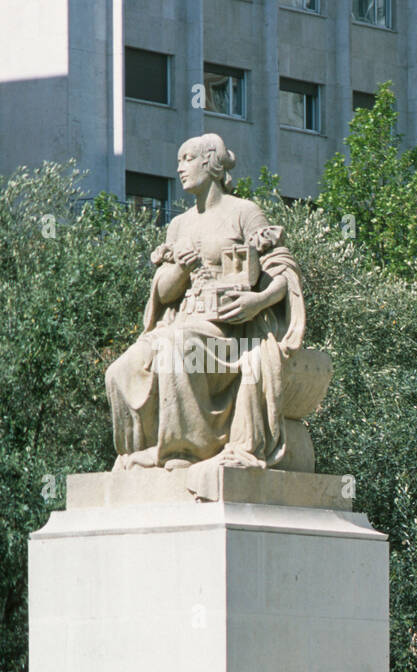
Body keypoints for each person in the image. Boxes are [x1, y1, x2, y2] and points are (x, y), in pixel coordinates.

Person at [105, 133, 305, 475]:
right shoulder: (179, 224)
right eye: (179, 161)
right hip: (183, 321)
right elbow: (165, 294)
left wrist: (257, 302)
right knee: (119, 371)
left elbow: (283, 273)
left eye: (187, 159)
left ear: (211, 162)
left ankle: (187, 449)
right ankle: (143, 451)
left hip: (231, 333)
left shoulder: (244, 212)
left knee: (177, 347)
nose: (179, 168)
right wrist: (181, 267)